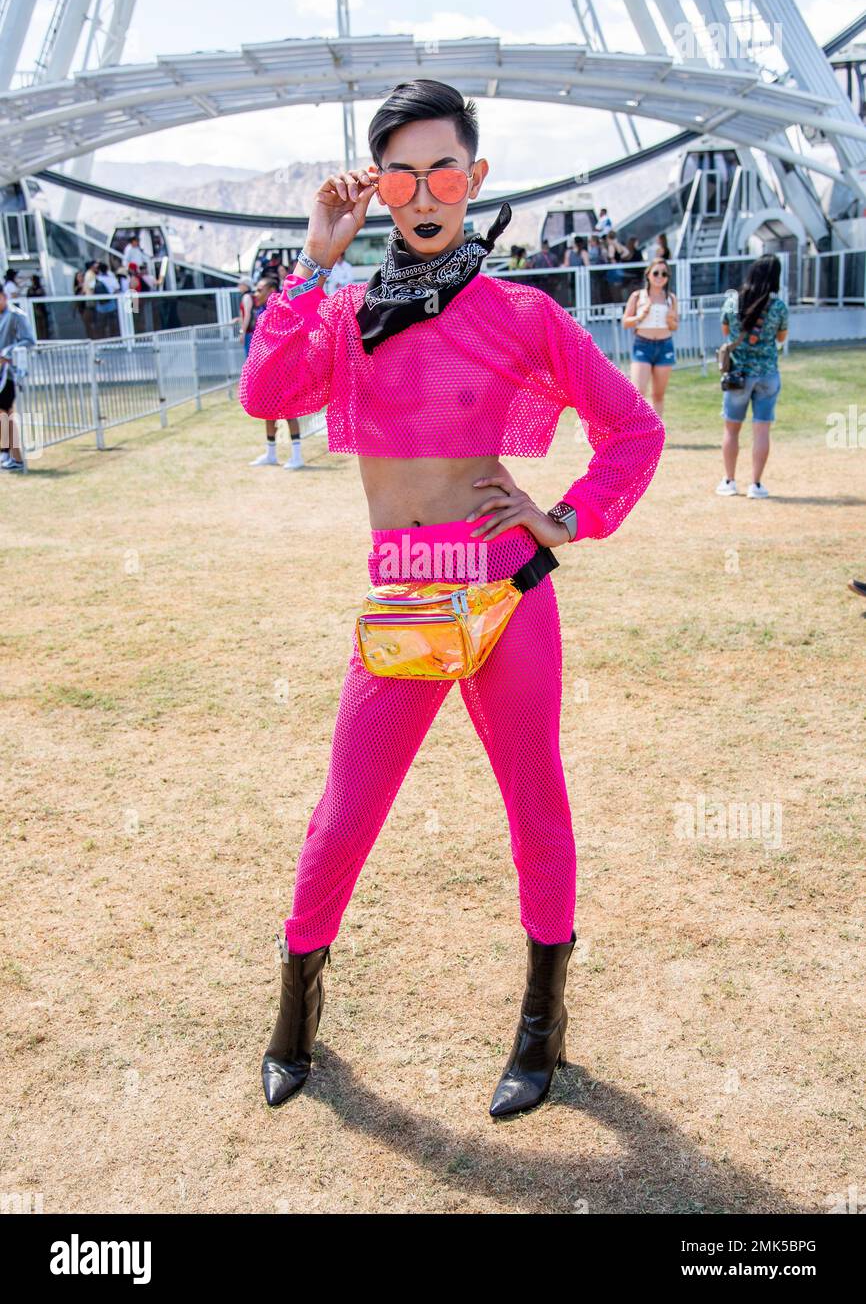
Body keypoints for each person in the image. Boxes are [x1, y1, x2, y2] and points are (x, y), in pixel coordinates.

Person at [238, 78, 665, 1116]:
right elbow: (263, 394)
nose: (423, 190)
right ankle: (295, 1015)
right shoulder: (341, 314)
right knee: (344, 814)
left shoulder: (521, 313)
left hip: (506, 596)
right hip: (404, 600)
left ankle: (540, 1029)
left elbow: (634, 432)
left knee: (535, 807)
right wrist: (314, 257)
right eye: (401, 171)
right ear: (376, 185)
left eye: (442, 169)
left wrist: (564, 517)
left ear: (474, 178)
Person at [716, 256, 788, 498]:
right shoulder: (778, 307)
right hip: (767, 373)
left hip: (738, 375)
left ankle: (729, 480)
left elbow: (725, 331)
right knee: (761, 430)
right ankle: (756, 484)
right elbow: (781, 338)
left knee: (731, 429)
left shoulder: (733, 301)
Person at [246, 275, 305, 469]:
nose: (256, 293)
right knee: (267, 409)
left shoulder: (281, 308)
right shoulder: (260, 310)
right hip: (267, 371)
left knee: (289, 410)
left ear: (271, 291)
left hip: (283, 369)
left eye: (260, 289)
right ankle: (271, 453)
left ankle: (297, 456)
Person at [621, 260, 679, 418]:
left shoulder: (671, 298)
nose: (660, 277)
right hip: (642, 344)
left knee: (658, 394)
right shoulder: (637, 296)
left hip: (664, 345)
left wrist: (670, 320)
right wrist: (640, 316)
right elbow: (625, 322)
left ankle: (656, 433)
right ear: (648, 274)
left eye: (664, 274)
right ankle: (637, 430)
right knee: (638, 392)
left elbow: (674, 326)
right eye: (656, 273)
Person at [0, 288, 37, 472]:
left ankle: (15, 456)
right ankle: (6, 452)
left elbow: (29, 340)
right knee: (3, 415)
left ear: (4, 297)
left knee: (5, 414)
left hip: (10, 373)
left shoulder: (16, 315)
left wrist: (7, 353)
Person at [237, 279, 255, 358]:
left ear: (245, 285)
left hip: (249, 332)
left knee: (250, 358)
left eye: (240, 284)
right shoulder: (249, 296)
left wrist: (242, 332)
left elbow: (247, 315)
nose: (238, 286)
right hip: (249, 331)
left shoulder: (247, 296)